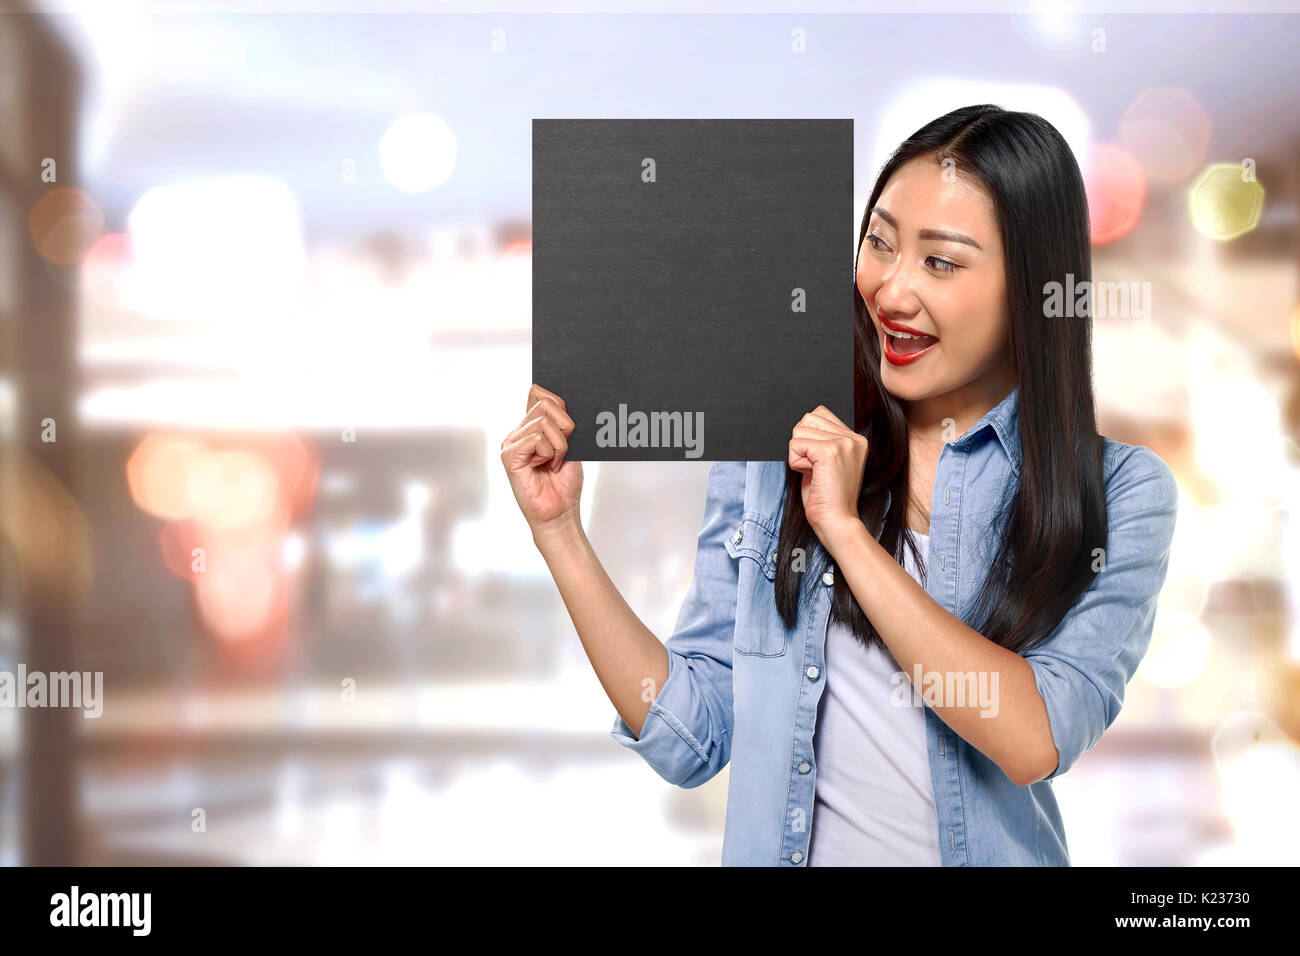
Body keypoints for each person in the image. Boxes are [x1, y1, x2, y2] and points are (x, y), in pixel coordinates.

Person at [501, 104, 1179, 866]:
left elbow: (1034, 737)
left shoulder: (1121, 492)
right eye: (879, 243)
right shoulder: (776, 448)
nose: (890, 291)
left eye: (942, 262)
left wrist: (848, 534)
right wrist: (560, 533)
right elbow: (691, 735)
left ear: (1031, 288)